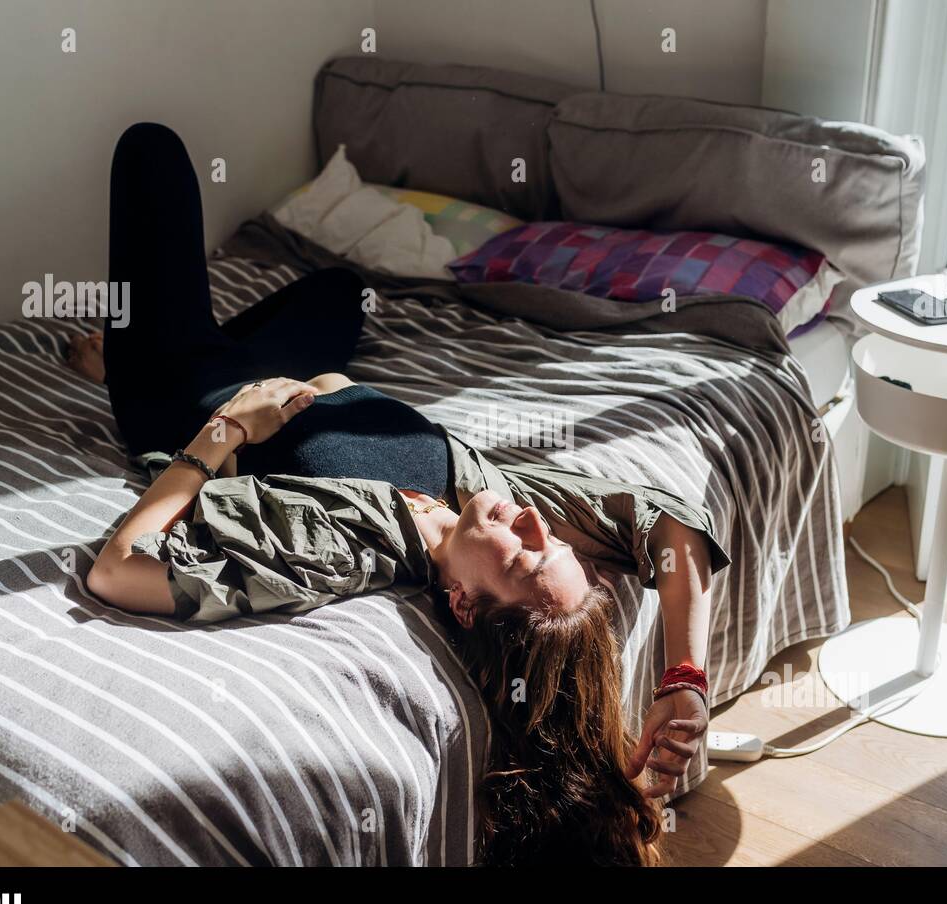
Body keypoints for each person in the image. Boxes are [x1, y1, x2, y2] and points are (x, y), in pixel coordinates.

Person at [73, 122, 729, 865]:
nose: (538, 526)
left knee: (150, 150)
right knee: (346, 290)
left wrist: (222, 432)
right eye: (555, 546)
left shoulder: (341, 546)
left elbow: (116, 569)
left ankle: (125, 364)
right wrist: (685, 679)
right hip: (292, 374)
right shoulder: (496, 499)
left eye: (522, 557)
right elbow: (671, 527)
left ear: (460, 603)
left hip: (188, 392)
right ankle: (143, 346)